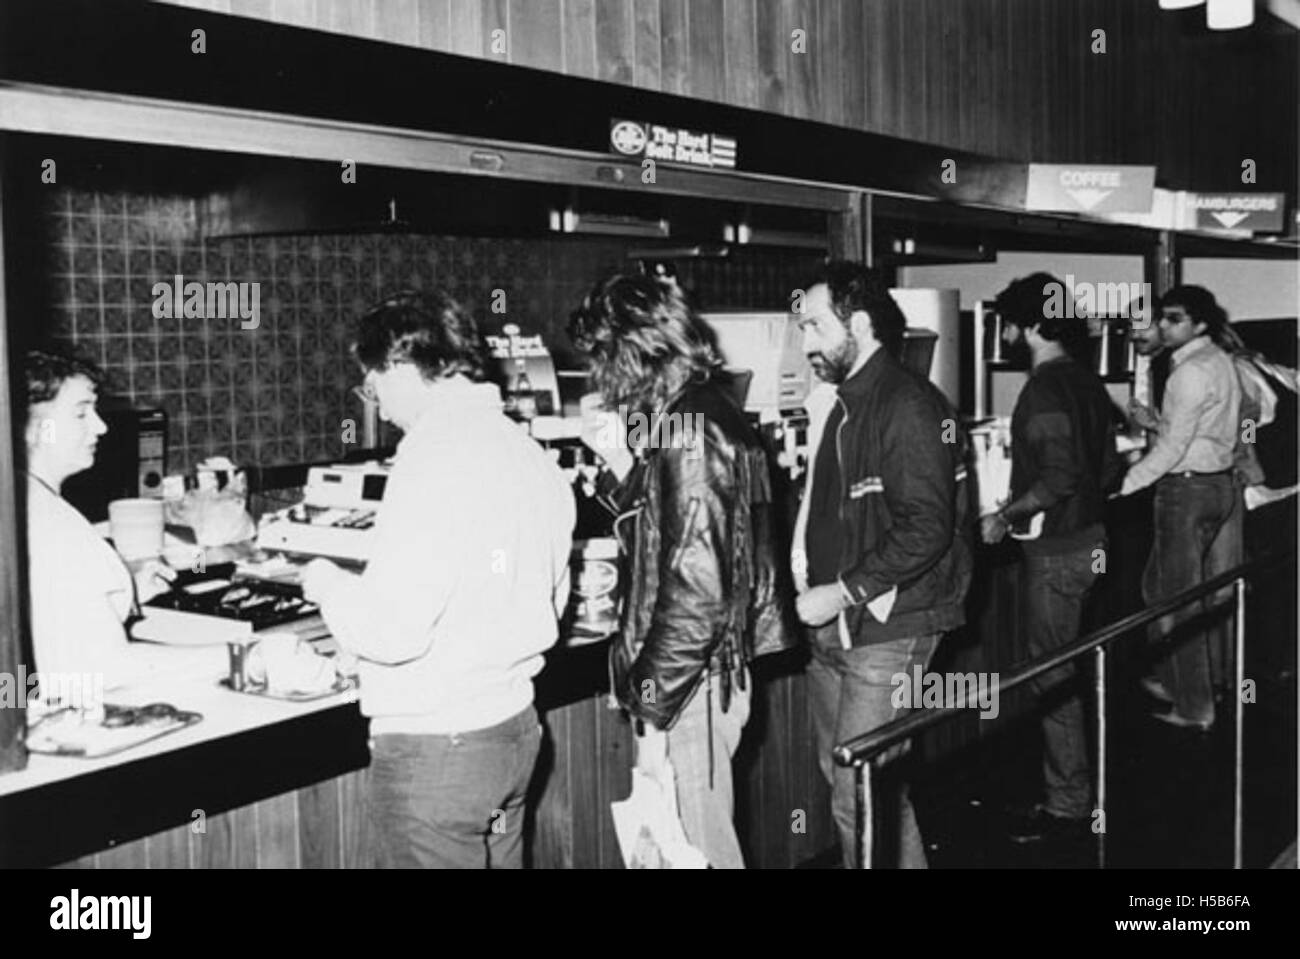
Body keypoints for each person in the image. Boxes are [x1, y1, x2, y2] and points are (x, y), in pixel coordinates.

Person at [301, 290, 575, 868]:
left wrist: (326, 584)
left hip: (437, 751)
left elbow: (392, 633)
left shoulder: (430, 460)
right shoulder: (528, 453)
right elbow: (548, 597)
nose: (376, 402)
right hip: (514, 734)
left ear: (400, 368)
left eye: (372, 383)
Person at [566, 273, 797, 869]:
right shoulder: (698, 412)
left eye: (601, 358)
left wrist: (648, 711)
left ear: (631, 352)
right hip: (701, 676)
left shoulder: (689, 430)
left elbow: (698, 597)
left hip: (690, 684)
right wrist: (618, 460)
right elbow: (668, 528)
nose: (599, 377)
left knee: (696, 851)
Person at [792, 260, 972, 868]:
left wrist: (840, 591)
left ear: (860, 323)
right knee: (863, 785)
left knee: (858, 793)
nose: (806, 343)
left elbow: (928, 527)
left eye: (816, 326)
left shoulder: (909, 405)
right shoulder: (841, 404)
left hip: (890, 625)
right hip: (839, 623)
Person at [981, 275, 1124, 843]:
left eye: (1011, 325)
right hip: (1091, 541)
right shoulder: (1088, 384)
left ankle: (1069, 800)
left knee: (1052, 677)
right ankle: (1073, 788)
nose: (1008, 336)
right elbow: (1106, 471)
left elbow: (1059, 476)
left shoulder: (1042, 390)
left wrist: (1005, 515)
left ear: (1034, 327)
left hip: (1059, 550)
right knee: (1064, 668)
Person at [1120, 286, 1242, 731]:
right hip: (1217, 486)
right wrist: (1156, 422)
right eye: (1163, 318)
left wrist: (1127, 483)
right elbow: (1204, 429)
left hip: (1186, 492)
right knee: (1162, 588)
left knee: (1177, 602)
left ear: (1200, 324)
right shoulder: (1219, 361)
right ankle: (1181, 681)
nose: (1164, 327)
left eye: (1174, 319)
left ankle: (1194, 705)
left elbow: (1172, 449)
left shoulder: (1186, 373)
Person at [22, 348, 175, 701]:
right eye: (81, 413)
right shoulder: (52, 526)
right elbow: (108, 671)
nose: (101, 426)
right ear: (29, 427)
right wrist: (242, 654)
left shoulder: (29, 501)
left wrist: (126, 592)